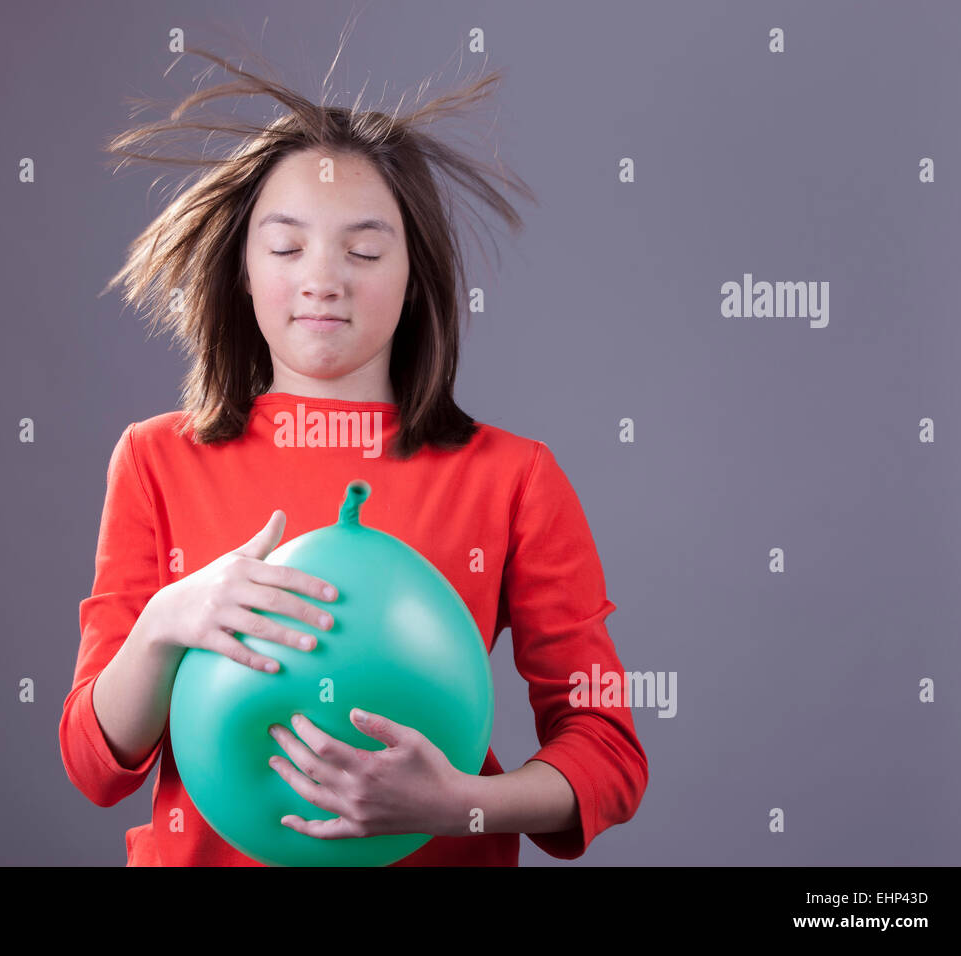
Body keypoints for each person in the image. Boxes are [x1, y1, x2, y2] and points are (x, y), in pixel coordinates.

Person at [59, 48, 648, 865]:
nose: (323, 279)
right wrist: (164, 626)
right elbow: (93, 765)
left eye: (364, 251)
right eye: (286, 247)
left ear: (414, 279)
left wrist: (463, 806)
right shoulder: (157, 460)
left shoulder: (513, 478)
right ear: (241, 271)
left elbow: (609, 754)